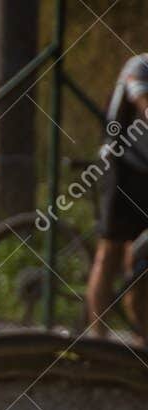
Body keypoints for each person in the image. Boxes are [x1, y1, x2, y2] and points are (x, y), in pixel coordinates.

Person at [87, 55, 148, 337]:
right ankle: (98, 337)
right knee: (109, 252)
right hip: (120, 169)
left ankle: (141, 340)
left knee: (139, 261)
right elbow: (143, 103)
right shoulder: (139, 66)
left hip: (145, 175)